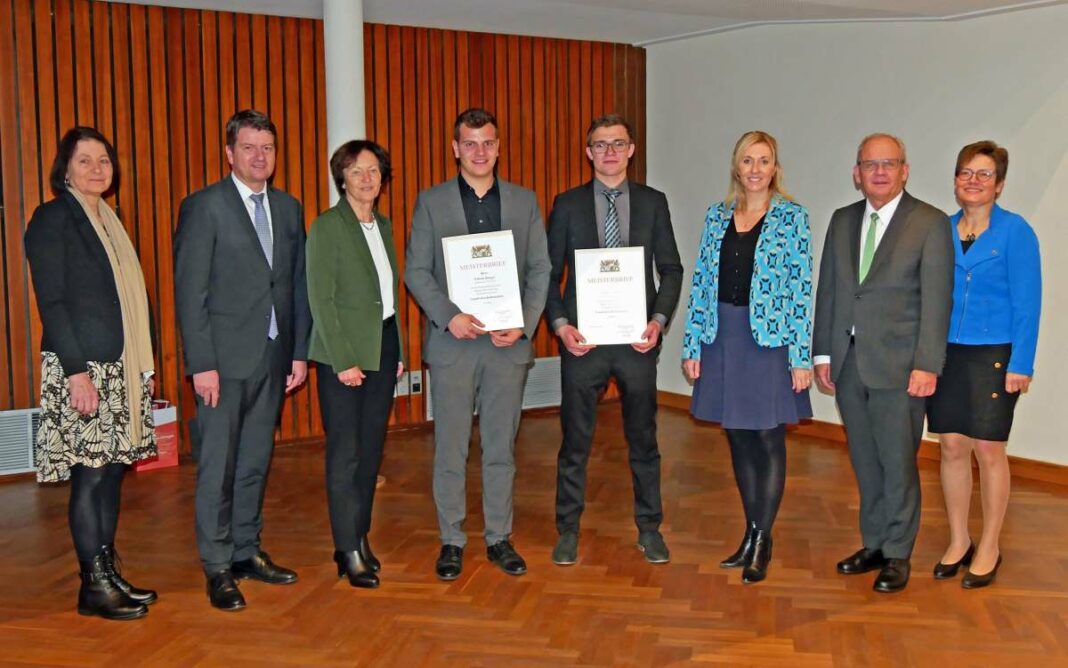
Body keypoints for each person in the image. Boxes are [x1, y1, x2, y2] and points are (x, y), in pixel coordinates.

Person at [174, 110, 311, 611]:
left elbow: (295, 284)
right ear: (229, 153)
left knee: (255, 461)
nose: (260, 157)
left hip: (273, 357)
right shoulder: (204, 207)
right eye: (250, 147)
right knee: (218, 465)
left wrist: (298, 351)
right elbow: (191, 293)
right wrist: (201, 363)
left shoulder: (290, 209)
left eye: (268, 148)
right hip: (223, 363)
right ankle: (215, 565)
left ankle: (246, 551)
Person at [405, 107, 550, 581]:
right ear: (455, 149)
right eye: (470, 143)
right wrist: (450, 317)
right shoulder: (432, 202)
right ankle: (451, 539)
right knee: (450, 448)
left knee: (500, 448)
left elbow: (540, 270)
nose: (480, 151)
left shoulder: (525, 202)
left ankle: (499, 537)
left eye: (488, 142)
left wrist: (524, 323)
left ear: (499, 146)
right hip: (454, 346)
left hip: (507, 346)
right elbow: (417, 272)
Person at [25, 126, 158, 620]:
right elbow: (52, 301)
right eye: (85, 161)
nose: (97, 169)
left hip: (119, 366)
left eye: (104, 160)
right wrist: (77, 372)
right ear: (65, 169)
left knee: (111, 475)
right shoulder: (53, 218)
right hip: (81, 366)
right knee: (91, 474)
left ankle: (108, 571)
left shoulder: (110, 221)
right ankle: (92, 587)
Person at [813, 133, 954, 593]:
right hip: (850, 364)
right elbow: (830, 291)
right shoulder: (842, 219)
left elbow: (937, 301)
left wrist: (928, 364)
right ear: (857, 173)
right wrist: (823, 352)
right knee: (864, 460)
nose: (879, 171)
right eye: (870, 164)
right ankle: (873, 543)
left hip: (901, 367)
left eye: (888, 163)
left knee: (897, 462)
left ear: (904, 171)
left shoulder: (929, 223)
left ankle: (897, 552)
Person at [546, 113, 682, 566]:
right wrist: (562, 325)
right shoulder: (566, 204)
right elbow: (547, 273)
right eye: (600, 145)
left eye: (618, 143)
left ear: (631, 150)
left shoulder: (652, 202)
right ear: (588, 152)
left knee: (644, 439)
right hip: (582, 342)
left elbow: (671, 269)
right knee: (575, 441)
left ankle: (649, 528)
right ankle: (567, 528)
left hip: (636, 342)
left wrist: (658, 321)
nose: (609, 152)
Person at [681, 131, 813, 583]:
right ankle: (752, 531)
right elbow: (701, 282)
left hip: (769, 343)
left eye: (764, 161)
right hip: (723, 336)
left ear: (775, 168)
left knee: (768, 438)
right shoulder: (716, 217)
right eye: (747, 161)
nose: (755, 169)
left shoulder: (793, 218)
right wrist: (692, 344)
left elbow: (801, 291)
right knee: (737, 435)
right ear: (736, 168)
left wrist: (800, 356)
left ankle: (762, 537)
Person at [927, 141, 1041, 589]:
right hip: (946, 353)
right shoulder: (941, 229)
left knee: (989, 450)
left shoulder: (1016, 232)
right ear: (955, 179)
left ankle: (990, 545)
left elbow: (1028, 304)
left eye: (984, 174)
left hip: (995, 354)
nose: (973, 181)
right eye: (965, 173)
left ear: (1000, 184)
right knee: (951, 446)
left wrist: (1022, 363)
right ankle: (959, 540)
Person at [307, 140, 405, 589]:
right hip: (341, 355)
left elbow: (387, 295)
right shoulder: (328, 227)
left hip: (382, 347)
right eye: (356, 171)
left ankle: (358, 536)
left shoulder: (382, 225)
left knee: (370, 452)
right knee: (345, 455)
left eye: (373, 171)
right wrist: (344, 360)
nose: (367, 179)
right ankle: (346, 548)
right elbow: (321, 301)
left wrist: (397, 351)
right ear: (341, 178)